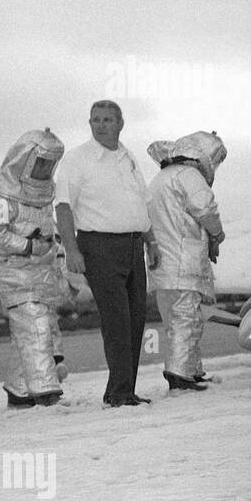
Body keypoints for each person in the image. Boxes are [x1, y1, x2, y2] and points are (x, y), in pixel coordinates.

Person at [55, 100, 160, 406]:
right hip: (98, 247)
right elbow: (63, 207)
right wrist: (71, 249)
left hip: (134, 245)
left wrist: (152, 242)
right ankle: (120, 394)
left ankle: (122, 389)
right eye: (95, 120)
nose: (100, 125)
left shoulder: (128, 158)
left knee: (135, 319)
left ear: (120, 123)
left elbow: (142, 203)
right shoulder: (77, 159)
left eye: (107, 120)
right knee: (117, 320)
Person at [0, 129, 68, 408]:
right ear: (24, 159)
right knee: (36, 330)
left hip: (43, 276)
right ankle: (46, 392)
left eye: (49, 164)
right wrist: (28, 246)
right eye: (41, 162)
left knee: (33, 335)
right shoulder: (1, 196)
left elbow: (49, 234)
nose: (45, 169)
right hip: (17, 278)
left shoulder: (44, 195)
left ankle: (18, 390)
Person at [146, 132, 228, 392]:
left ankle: (192, 370)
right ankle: (180, 374)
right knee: (187, 318)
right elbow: (206, 209)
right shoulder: (189, 176)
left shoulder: (160, 178)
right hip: (184, 261)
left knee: (176, 321)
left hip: (162, 266)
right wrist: (217, 234)